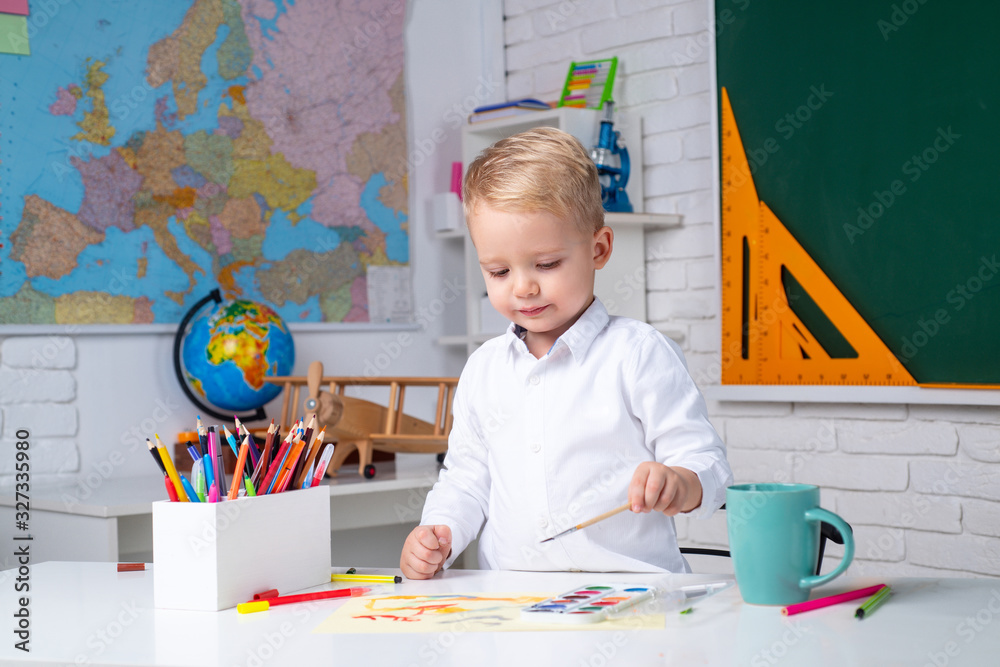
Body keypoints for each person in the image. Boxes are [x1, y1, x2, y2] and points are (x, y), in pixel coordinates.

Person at [400, 127, 732, 579]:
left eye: (547, 264)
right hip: (513, 606)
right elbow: (466, 478)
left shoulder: (637, 354)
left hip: (634, 601)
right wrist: (437, 533)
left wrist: (683, 482)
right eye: (498, 271)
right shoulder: (483, 370)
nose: (523, 286)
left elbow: (706, 463)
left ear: (599, 249)